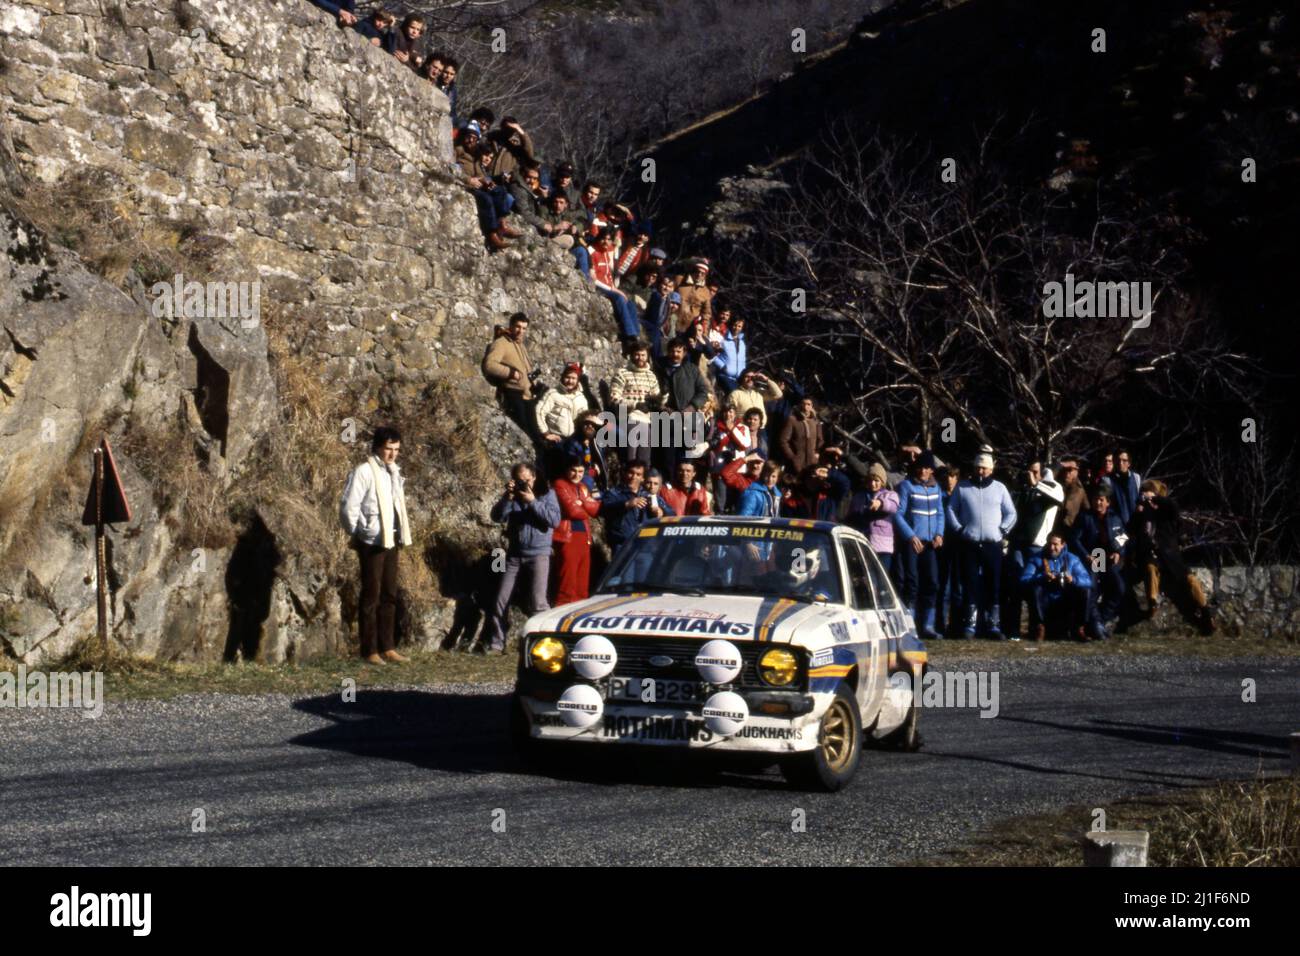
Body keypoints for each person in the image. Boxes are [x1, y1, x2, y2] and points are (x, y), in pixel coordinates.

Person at [339, 426, 412, 664]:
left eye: (396, 450)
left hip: (391, 539)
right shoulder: (363, 472)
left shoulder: (393, 471)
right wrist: (360, 532)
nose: (392, 454)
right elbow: (349, 506)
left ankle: (388, 646)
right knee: (371, 594)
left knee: (389, 593)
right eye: (388, 449)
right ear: (378, 447)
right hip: (372, 541)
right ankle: (370, 650)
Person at [485, 463, 560, 653]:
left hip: (539, 554)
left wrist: (533, 501)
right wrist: (508, 497)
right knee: (500, 599)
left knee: (538, 602)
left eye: (527, 479)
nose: (524, 484)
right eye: (520, 480)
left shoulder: (547, 494)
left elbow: (554, 520)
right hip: (513, 554)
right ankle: (496, 644)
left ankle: (543, 645)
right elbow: (497, 517)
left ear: (534, 477)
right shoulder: (513, 497)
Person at [946, 451, 1017, 639]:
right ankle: (970, 625)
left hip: (992, 544)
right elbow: (951, 509)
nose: (980, 471)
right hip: (969, 543)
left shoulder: (1000, 488)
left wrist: (1002, 530)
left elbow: (1011, 513)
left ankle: (992, 624)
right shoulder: (962, 487)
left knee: (993, 584)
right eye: (978, 467)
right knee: (970, 583)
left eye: (984, 468)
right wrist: (960, 529)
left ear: (991, 469)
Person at [1131, 479, 1214, 633]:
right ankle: (1152, 603)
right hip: (1151, 556)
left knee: (1191, 580)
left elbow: (1173, 508)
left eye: (1147, 494)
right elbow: (1132, 531)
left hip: (1171, 557)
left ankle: (1206, 613)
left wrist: (1155, 499)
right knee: (1150, 568)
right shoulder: (1141, 515)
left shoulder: (1166, 512)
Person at [1004, 461, 1065, 640]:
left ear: (1042, 473)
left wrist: (1036, 484)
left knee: (1034, 587)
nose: (1031, 474)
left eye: (1035, 471)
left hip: (1037, 546)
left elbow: (1058, 499)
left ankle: (1036, 628)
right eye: (1028, 471)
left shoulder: (1051, 488)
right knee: (1015, 586)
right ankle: (1013, 629)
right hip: (1017, 544)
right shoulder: (1021, 491)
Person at [893, 450, 945, 639]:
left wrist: (940, 533)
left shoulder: (936, 488)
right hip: (912, 543)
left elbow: (940, 512)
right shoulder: (906, 486)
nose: (924, 471)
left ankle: (928, 624)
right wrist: (910, 536)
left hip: (930, 544)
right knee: (911, 582)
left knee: (932, 582)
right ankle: (910, 625)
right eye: (921, 467)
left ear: (931, 470)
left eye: (927, 468)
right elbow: (898, 514)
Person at [1019, 531, 1095, 641]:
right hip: (1045, 600)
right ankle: (1040, 628)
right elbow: (1024, 579)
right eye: (1049, 543)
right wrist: (1042, 577)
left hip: (1065, 600)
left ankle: (1079, 628)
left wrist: (1073, 579)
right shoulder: (1036, 558)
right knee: (1035, 589)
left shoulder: (1072, 559)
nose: (1051, 547)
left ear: (1063, 545)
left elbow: (1088, 581)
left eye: (1055, 544)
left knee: (1085, 591)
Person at [455, 125, 519, 250]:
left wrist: (486, 181)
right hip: (466, 185)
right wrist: (468, 179)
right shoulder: (458, 151)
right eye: (469, 137)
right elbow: (452, 167)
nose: (471, 140)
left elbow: (480, 173)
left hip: (479, 184)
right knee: (486, 199)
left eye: (474, 138)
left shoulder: (476, 155)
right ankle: (492, 235)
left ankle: (502, 223)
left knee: (500, 191)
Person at [1077, 487, 1129, 639]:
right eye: (1095, 499)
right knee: (1093, 589)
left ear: (1108, 503)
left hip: (1110, 558)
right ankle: (1094, 625)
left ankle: (1101, 620)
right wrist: (1086, 555)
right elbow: (1075, 539)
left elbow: (1124, 537)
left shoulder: (1115, 518)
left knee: (1119, 588)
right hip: (1096, 556)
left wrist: (1119, 552)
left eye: (1101, 500)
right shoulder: (1086, 517)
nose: (1098, 503)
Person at [550, 457, 601, 606]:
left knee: (582, 585)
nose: (577, 474)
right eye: (573, 470)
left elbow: (597, 509)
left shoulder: (583, 487)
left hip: (584, 536)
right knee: (567, 582)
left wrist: (582, 503)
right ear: (566, 469)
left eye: (580, 471)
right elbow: (573, 512)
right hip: (568, 537)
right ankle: (560, 619)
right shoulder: (560, 484)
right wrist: (585, 505)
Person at [481, 313, 538, 440]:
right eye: (518, 327)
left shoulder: (521, 346)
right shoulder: (501, 343)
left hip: (527, 397)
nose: (520, 331)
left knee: (536, 434)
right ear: (511, 326)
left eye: (524, 328)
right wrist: (511, 373)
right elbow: (489, 365)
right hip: (513, 395)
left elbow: (526, 370)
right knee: (526, 434)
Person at [608, 342, 662, 468]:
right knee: (630, 458)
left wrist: (662, 397)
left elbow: (658, 400)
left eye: (643, 355)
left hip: (646, 421)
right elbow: (613, 398)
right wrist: (635, 404)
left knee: (644, 459)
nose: (640, 358)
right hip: (628, 418)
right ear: (631, 356)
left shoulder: (651, 376)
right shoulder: (622, 373)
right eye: (637, 355)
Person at [590, 229, 640, 343]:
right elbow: (594, 279)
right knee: (619, 298)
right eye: (603, 239)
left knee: (630, 303)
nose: (605, 242)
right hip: (599, 287)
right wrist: (612, 289)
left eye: (608, 239)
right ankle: (629, 334)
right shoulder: (592, 252)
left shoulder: (607, 252)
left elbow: (609, 274)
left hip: (609, 286)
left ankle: (636, 337)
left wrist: (614, 287)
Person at [848, 463, 899, 572]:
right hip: (862, 544)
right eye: (870, 480)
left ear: (882, 481)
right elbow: (853, 515)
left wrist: (880, 503)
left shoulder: (890, 495)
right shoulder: (859, 496)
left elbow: (892, 507)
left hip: (883, 547)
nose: (873, 483)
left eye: (876, 480)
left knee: (881, 577)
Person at [935, 465, 964, 636]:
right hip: (943, 545)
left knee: (958, 586)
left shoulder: (961, 496)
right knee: (943, 586)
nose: (949, 480)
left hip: (960, 545)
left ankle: (956, 625)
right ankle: (941, 623)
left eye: (952, 476)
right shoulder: (939, 496)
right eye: (946, 477)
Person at [778, 395, 829, 477]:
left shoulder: (815, 421)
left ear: (812, 406)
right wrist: (792, 457)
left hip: (812, 463)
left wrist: (817, 453)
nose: (805, 407)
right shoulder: (793, 420)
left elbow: (820, 440)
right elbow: (783, 441)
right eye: (803, 404)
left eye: (808, 404)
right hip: (797, 462)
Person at [720, 453, 783, 517]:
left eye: (758, 462)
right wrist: (745, 459)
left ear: (764, 465)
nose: (755, 466)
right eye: (751, 462)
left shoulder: (773, 488)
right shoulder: (742, 480)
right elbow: (726, 474)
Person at [560, 411, 608, 492]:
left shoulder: (596, 441)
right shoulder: (572, 443)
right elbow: (574, 469)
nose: (590, 426)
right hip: (583, 478)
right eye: (586, 423)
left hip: (597, 479)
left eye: (594, 425)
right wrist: (592, 469)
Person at [1101, 449, 1141, 529]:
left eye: (1124, 460)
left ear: (1129, 463)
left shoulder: (1136, 477)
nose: (1120, 463)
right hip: (1117, 526)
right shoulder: (1107, 480)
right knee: (1122, 542)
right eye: (1118, 460)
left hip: (1136, 524)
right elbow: (1104, 506)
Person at [710, 314, 747, 394]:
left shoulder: (742, 343)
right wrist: (722, 366)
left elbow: (743, 361)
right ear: (731, 325)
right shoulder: (723, 339)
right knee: (735, 394)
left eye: (739, 326)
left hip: (738, 378)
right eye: (735, 325)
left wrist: (744, 373)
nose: (736, 328)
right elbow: (712, 355)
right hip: (724, 376)